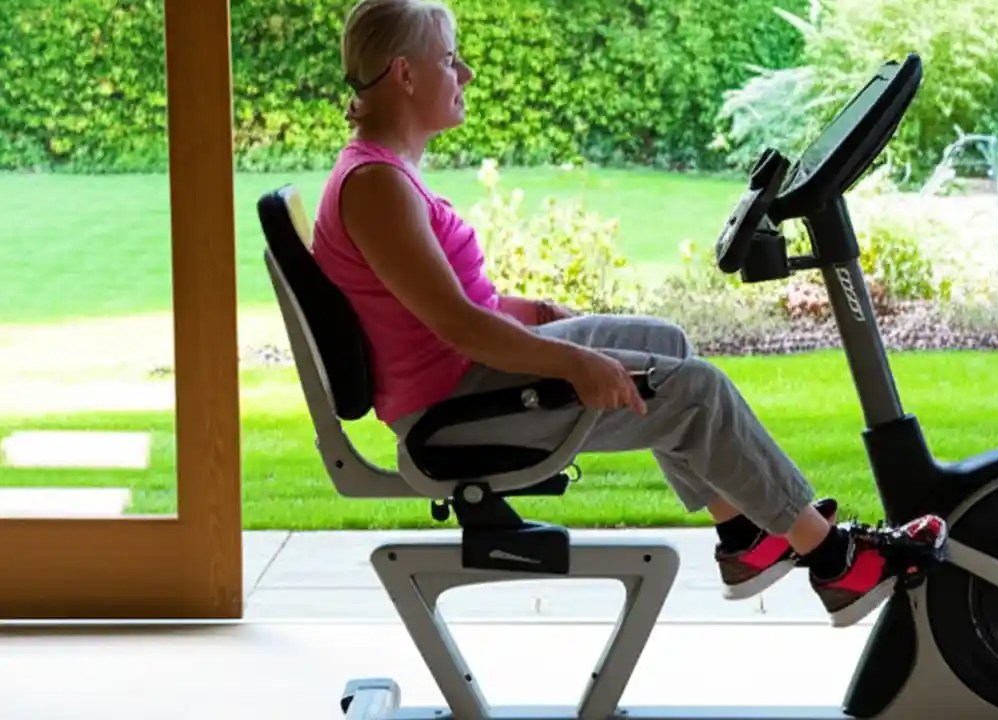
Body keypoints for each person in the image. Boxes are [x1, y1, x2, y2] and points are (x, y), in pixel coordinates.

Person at [310, 0, 948, 627]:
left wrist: (530, 312)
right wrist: (574, 361)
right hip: (456, 413)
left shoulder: (384, 176)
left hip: (467, 378)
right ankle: (838, 562)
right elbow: (459, 326)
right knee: (696, 393)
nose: (467, 75)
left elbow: (444, 307)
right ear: (404, 74)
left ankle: (746, 537)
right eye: (450, 60)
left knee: (664, 342)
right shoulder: (376, 186)